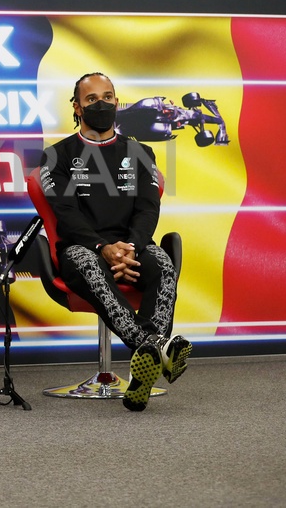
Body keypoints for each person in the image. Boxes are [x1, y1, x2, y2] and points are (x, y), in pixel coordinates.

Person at [39, 72, 191, 411]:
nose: (101, 104)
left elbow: (149, 208)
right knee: (90, 263)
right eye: (92, 99)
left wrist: (132, 246)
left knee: (164, 265)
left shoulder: (141, 152)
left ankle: (142, 378)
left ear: (117, 103)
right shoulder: (55, 156)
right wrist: (101, 247)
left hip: (133, 245)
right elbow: (66, 213)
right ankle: (155, 347)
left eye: (108, 97)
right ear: (77, 107)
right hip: (82, 248)